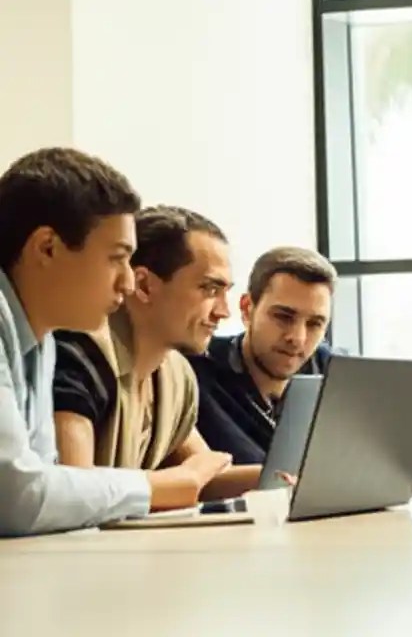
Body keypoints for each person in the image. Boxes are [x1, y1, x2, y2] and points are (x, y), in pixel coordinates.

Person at [0, 148, 228, 536]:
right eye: (116, 258)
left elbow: (48, 491)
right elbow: (15, 497)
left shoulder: (42, 344)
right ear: (47, 248)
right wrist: (154, 487)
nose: (126, 282)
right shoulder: (75, 353)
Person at [52, 205, 258, 500]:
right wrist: (184, 479)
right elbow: (74, 493)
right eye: (210, 290)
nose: (223, 312)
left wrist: (289, 479)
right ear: (145, 285)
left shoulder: (175, 373)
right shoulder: (78, 356)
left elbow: (205, 477)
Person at [187, 246, 335, 464]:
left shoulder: (334, 375)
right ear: (247, 309)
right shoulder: (194, 372)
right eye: (284, 317)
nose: (298, 338)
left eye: (314, 324)